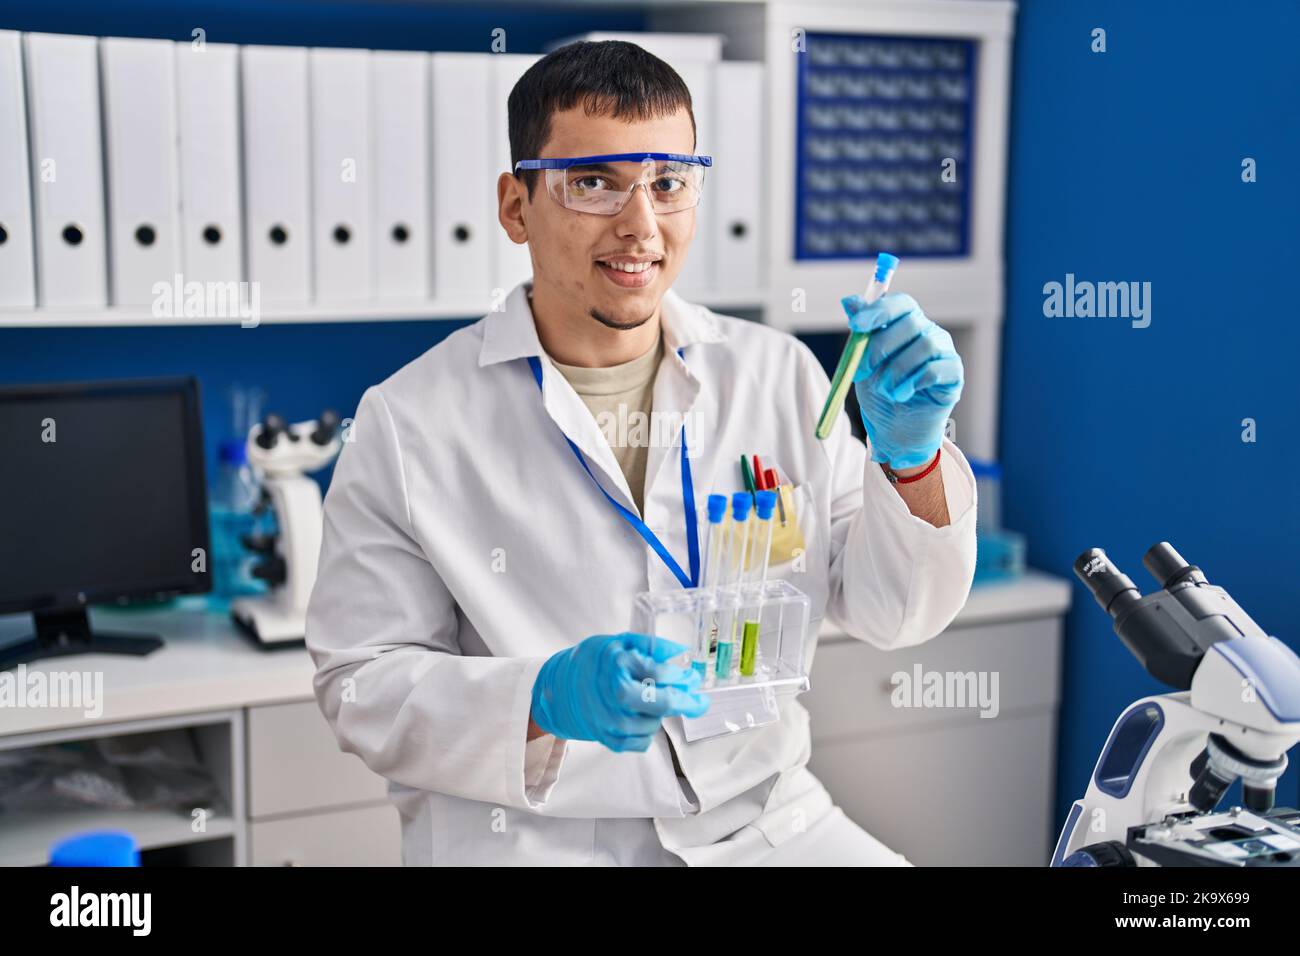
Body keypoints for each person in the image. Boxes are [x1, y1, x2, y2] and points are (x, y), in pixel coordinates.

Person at [305, 40, 976, 866]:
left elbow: (894, 612)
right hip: (535, 838)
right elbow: (359, 686)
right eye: (593, 184)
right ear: (516, 206)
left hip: (765, 823)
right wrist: (541, 697)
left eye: (669, 184)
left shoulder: (776, 375)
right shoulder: (409, 422)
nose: (640, 225)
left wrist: (910, 464)